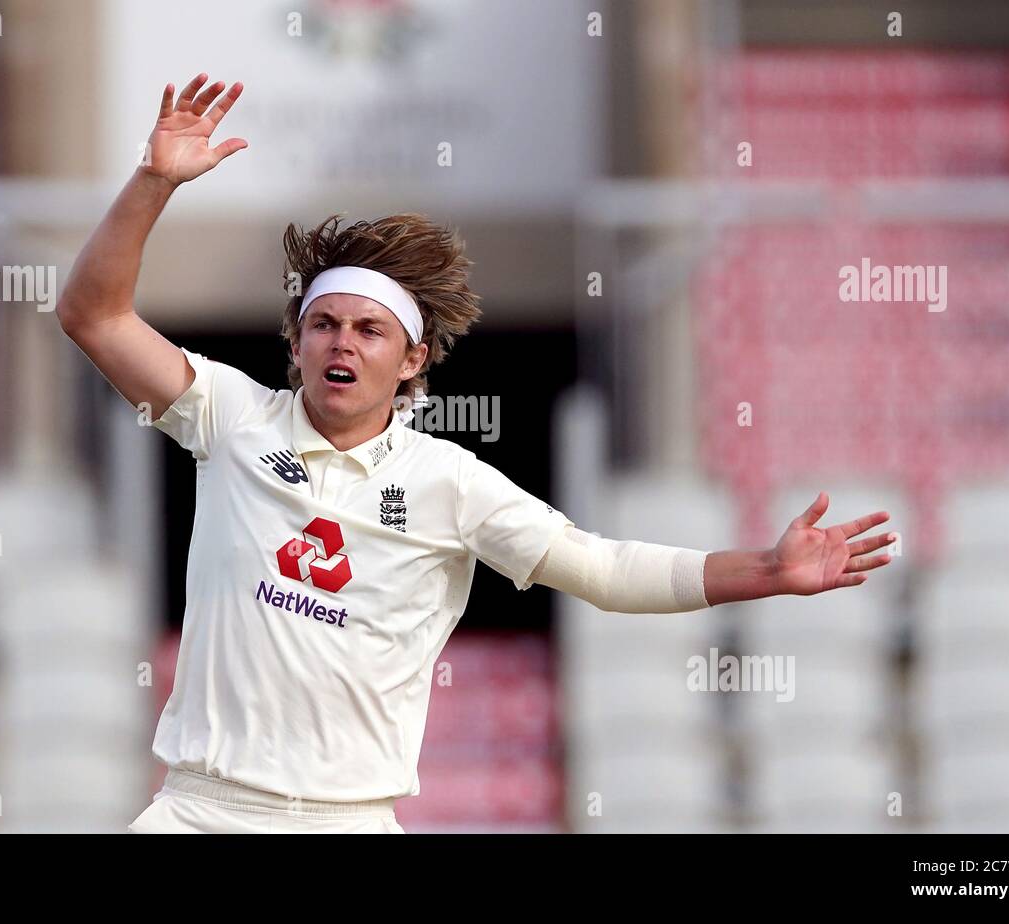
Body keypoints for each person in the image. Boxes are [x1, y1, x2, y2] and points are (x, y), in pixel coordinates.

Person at [55, 75, 897, 834]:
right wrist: (153, 181)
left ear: (413, 359)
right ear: (298, 342)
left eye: (369, 329)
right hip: (200, 808)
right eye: (323, 324)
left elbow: (601, 571)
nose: (341, 343)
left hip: (349, 821)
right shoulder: (233, 418)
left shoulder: (448, 483)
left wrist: (767, 570)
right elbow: (93, 317)